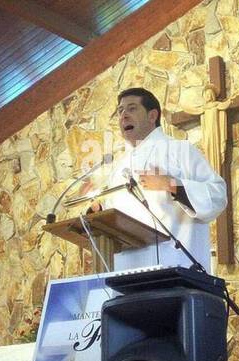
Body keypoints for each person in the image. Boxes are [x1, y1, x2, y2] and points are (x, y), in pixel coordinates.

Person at [89, 87, 227, 272]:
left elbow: (217, 195)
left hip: (176, 269)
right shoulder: (119, 168)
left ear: (152, 115)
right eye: (120, 111)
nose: (124, 116)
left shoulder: (180, 151)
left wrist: (171, 184)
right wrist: (97, 211)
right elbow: (114, 220)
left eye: (132, 108)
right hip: (127, 277)